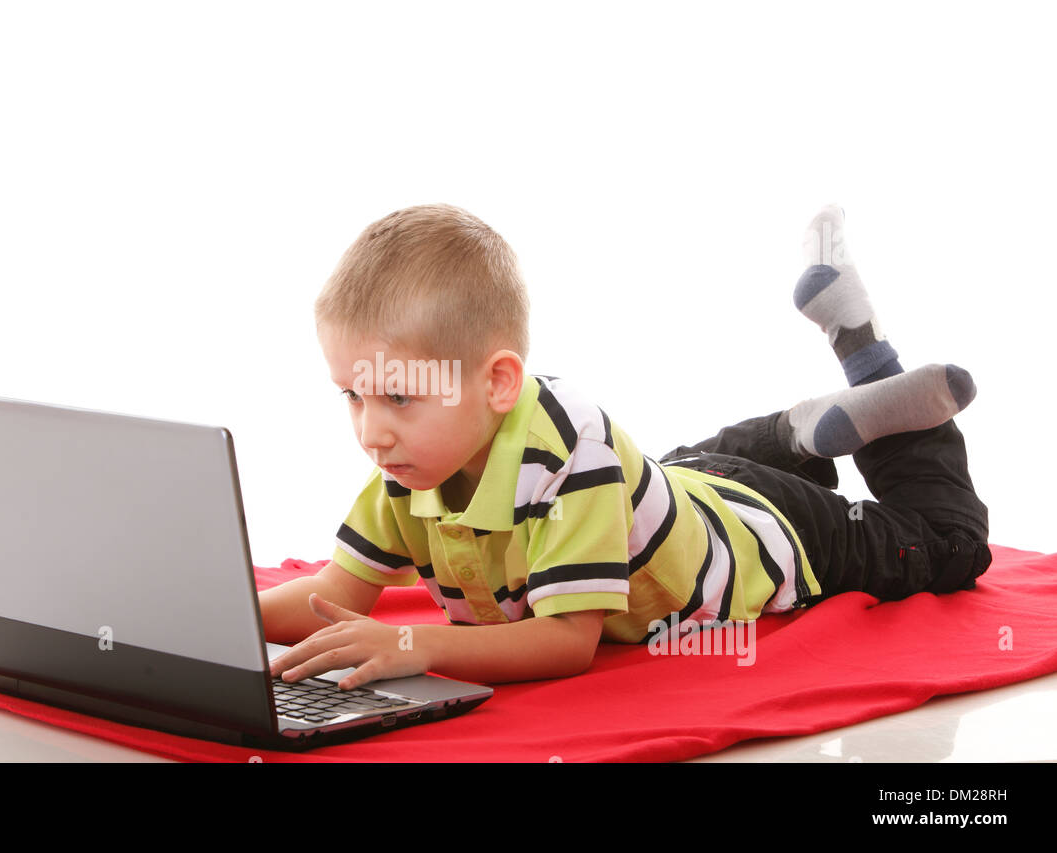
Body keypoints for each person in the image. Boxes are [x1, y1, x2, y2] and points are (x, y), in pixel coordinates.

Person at [260, 204, 991, 690]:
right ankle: (795, 434)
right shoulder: (408, 463)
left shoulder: (565, 458)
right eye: (351, 395)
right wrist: (224, 608)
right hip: (686, 485)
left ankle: (866, 357)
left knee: (949, 544)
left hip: (765, 538)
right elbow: (336, 592)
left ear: (499, 382)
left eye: (397, 395)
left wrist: (413, 647)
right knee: (669, 477)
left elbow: (567, 642)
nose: (370, 430)